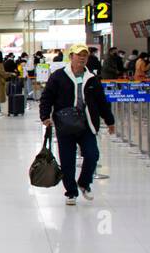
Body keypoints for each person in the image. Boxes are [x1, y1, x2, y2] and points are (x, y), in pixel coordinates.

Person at [40, 44, 115, 205]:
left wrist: (110, 121)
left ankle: (84, 182)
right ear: (71, 57)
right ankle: (71, 192)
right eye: (78, 55)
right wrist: (45, 116)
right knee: (67, 160)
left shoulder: (92, 78)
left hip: (87, 124)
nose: (82, 58)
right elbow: (47, 97)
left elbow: (101, 102)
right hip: (65, 124)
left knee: (92, 154)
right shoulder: (58, 76)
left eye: (85, 55)